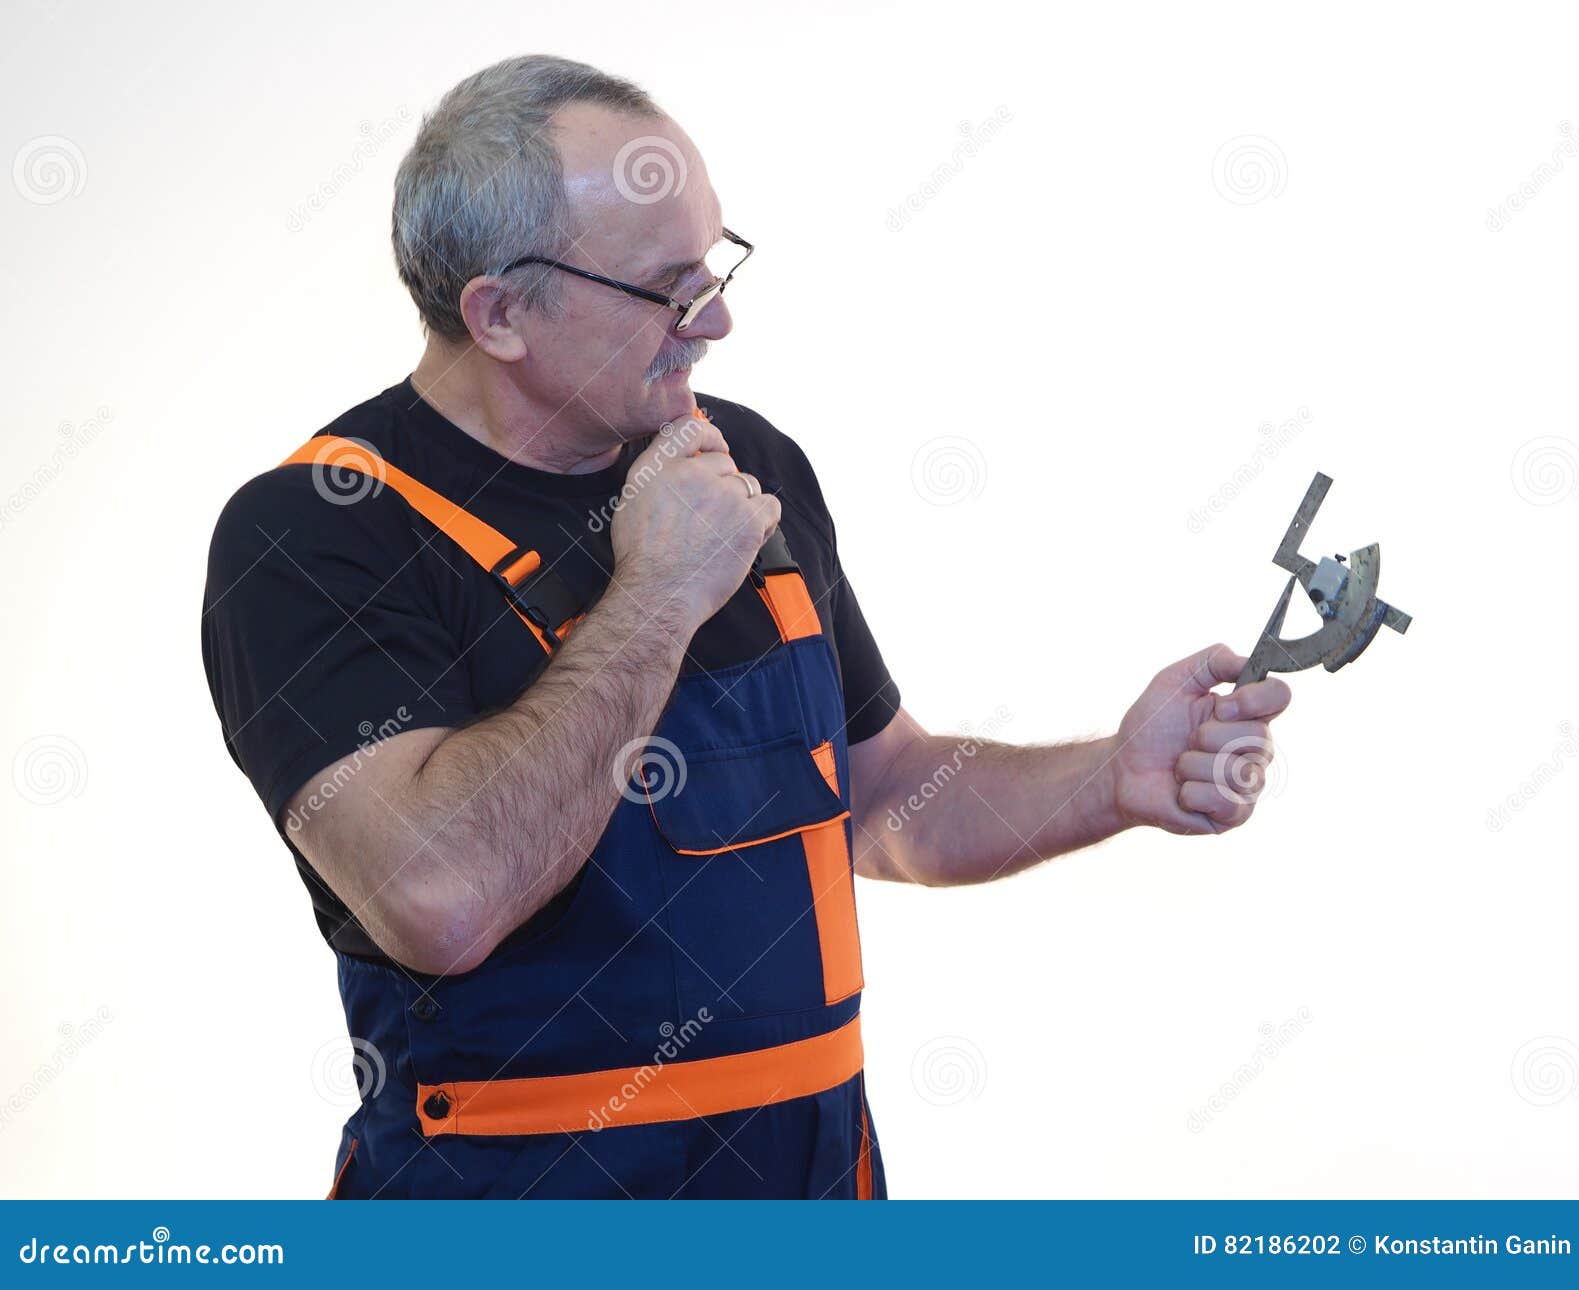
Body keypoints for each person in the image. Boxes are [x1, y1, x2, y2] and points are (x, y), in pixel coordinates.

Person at [201, 54, 1291, 1199]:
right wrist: (659, 595)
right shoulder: (318, 534)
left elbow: (885, 799)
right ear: (501, 312)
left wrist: (1110, 778)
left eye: (715, 265)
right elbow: (441, 901)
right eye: (668, 290)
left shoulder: (742, 464)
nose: (716, 319)